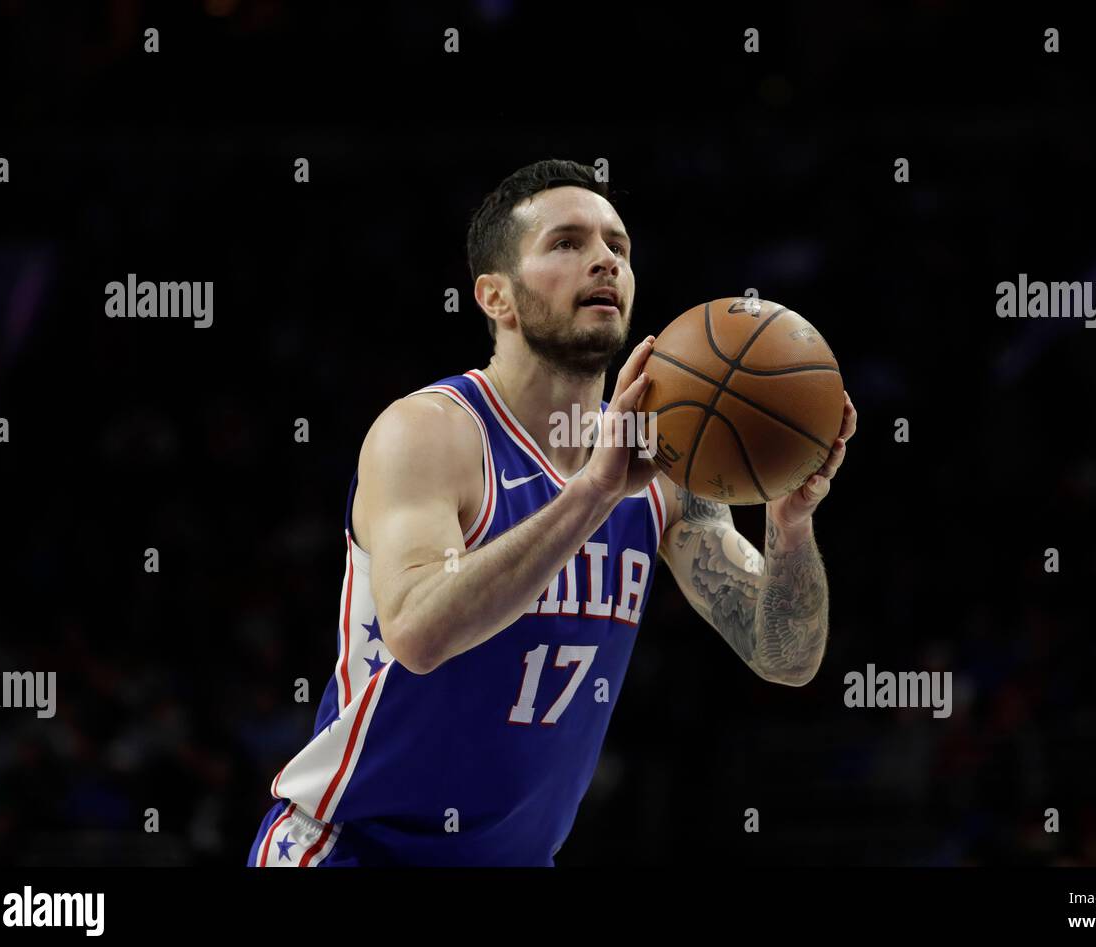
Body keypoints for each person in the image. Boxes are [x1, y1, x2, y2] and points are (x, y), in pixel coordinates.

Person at [247, 159, 857, 866]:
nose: (603, 260)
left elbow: (783, 656)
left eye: (617, 247)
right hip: (357, 850)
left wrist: (789, 528)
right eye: (567, 243)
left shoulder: (664, 467)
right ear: (496, 297)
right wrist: (593, 493)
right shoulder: (433, 431)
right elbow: (417, 631)